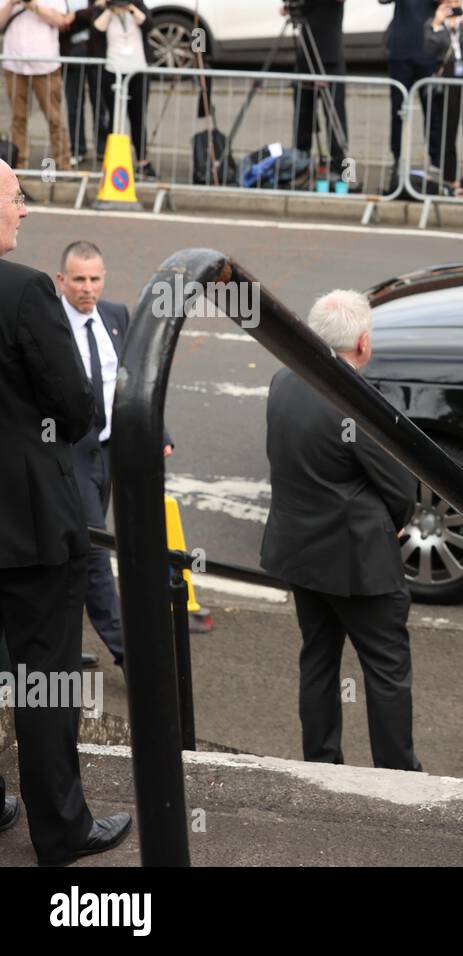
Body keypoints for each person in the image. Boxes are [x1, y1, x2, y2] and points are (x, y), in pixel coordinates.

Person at [0, 160, 132, 865]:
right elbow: (79, 408)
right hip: (28, 528)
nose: (24, 212)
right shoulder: (24, 291)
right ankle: (60, 831)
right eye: (17, 200)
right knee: (44, 679)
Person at [261, 290, 423, 772]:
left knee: (317, 661)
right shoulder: (357, 402)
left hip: (300, 554)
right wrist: (389, 527)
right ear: (363, 343)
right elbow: (401, 489)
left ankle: (321, 761)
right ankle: (396, 774)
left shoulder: (282, 380)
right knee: (386, 672)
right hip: (360, 564)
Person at [54, 239, 173, 670]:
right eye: (79, 280)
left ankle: (60, 648)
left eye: (95, 279)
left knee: (75, 554)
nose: (88, 288)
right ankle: (132, 655)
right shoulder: (48, 322)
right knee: (95, 551)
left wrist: (158, 430)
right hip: (70, 455)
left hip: (108, 451)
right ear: (61, 281)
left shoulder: (116, 316)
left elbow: (135, 379)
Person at [0, 0, 73, 171]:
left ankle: (63, 164)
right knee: (18, 119)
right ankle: (19, 165)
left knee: (54, 118)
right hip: (15, 64)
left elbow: (61, 21)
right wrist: (11, 4)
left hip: (45, 65)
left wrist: (31, 5)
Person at [425, 0, 463, 193]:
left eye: (457, 1)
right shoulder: (433, 23)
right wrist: (436, 24)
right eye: (449, 2)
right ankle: (450, 178)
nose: (453, 5)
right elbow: (429, 51)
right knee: (448, 131)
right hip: (447, 79)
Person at [383, 0, 440, 194]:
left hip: (429, 53)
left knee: (433, 111)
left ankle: (436, 161)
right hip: (401, 51)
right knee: (398, 111)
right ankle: (398, 160)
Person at [290, 0, 350, 184]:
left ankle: (340, 168)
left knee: (334, 116)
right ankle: (301, 163)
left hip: (329, 55)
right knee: (303, 114)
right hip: (305, 55)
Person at [92, 0, 153, 178]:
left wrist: (131, 7)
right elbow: (96, 30)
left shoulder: (137, 6)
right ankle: (112, 160)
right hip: (113, 71)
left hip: (137, 72)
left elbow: (148, 24)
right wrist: (110, 9)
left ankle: (142, 161)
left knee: (138, 117)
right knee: (114, 118)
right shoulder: (103, 10)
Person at [62, 0, 99, 167]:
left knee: (99, 102)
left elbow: (95, 14)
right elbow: (61, 23)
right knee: (74, 105)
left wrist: (75, 16)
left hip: (95, 52)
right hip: (70, 52)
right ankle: (78, 148)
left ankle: (102, 147)